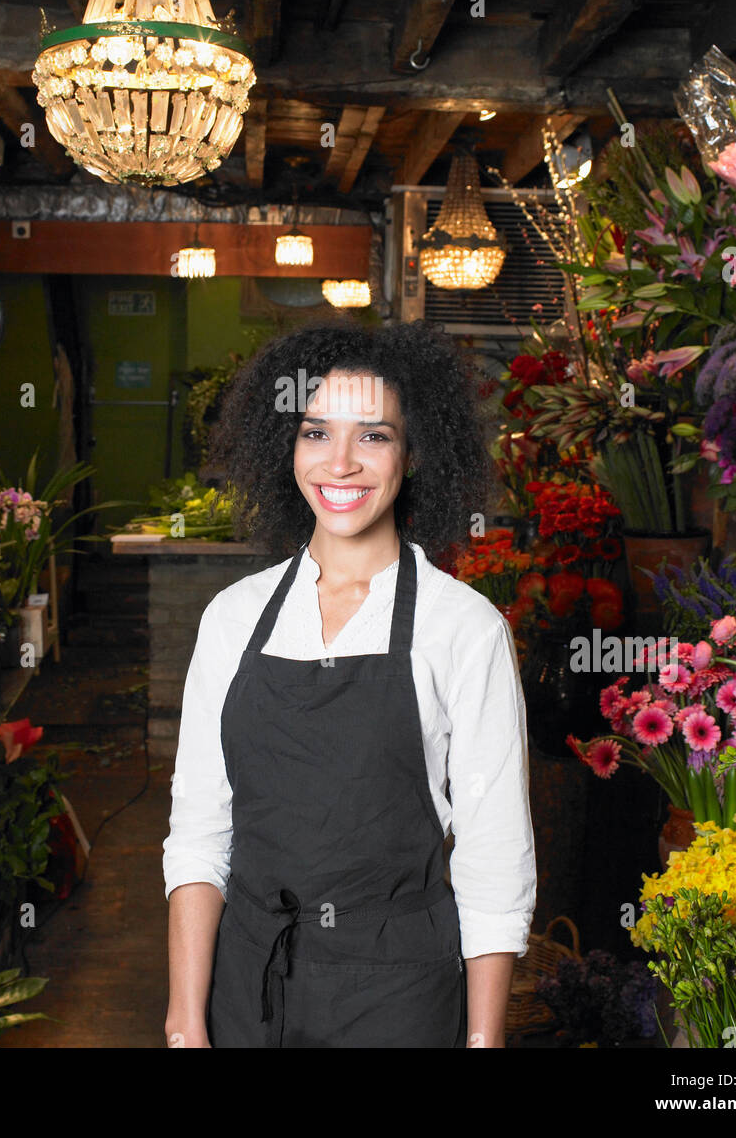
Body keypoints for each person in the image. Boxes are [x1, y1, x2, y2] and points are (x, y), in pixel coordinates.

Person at [163, 321, 535, 1048]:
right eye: (314, 433)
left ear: (414, 450)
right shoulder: (233, 619)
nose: (339, 463)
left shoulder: (463, 628)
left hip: (396, 995)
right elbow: (200, 838)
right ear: (285, 445)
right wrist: (184, 1023)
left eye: (372, 436)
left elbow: (495, 861)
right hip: (248, 986)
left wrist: (483, 1045)